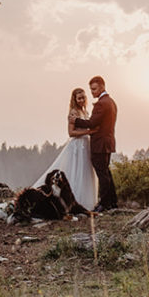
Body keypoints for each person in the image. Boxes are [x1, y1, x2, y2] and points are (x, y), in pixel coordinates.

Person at [29, 87, 100, 212]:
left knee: (85, 172)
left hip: (85, 145)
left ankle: (86, 202)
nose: (82, 100)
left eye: (83, 97)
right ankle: (75, 201)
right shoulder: (73, 112)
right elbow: (71, 132)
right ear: (74, 99)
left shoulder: (85, 111)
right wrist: (89, 131)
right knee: (77, 171)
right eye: (79, 98)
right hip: (78, 146)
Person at [74, 75, 118, 212]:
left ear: (102, 87)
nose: (92, 92)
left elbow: (92, 123)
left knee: (102, 174)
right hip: (108, 142)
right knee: (106, 172)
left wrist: (75, 120)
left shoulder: (101, 103)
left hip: (100, 144)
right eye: (91, 90)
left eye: (94, 89)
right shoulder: (111, 102)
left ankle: (104, 204)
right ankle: (112, 202)